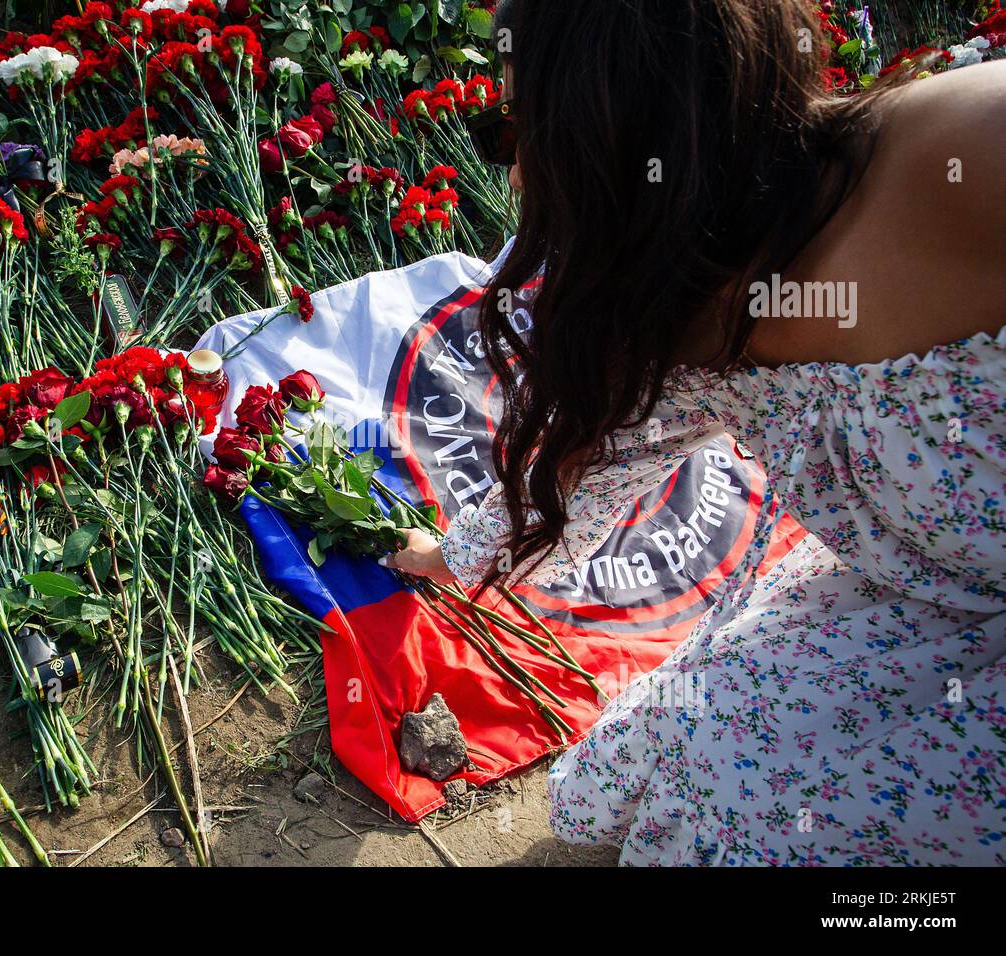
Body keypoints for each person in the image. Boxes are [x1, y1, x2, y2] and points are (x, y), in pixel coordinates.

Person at [383, 0, 1005, 865]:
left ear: (632, 127)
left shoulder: (968, 154)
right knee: (677, 777)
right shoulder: (681, 278)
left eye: (519, 132)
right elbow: (594, 458)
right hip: (921, 589)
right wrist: (455, 557)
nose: (517, 177)